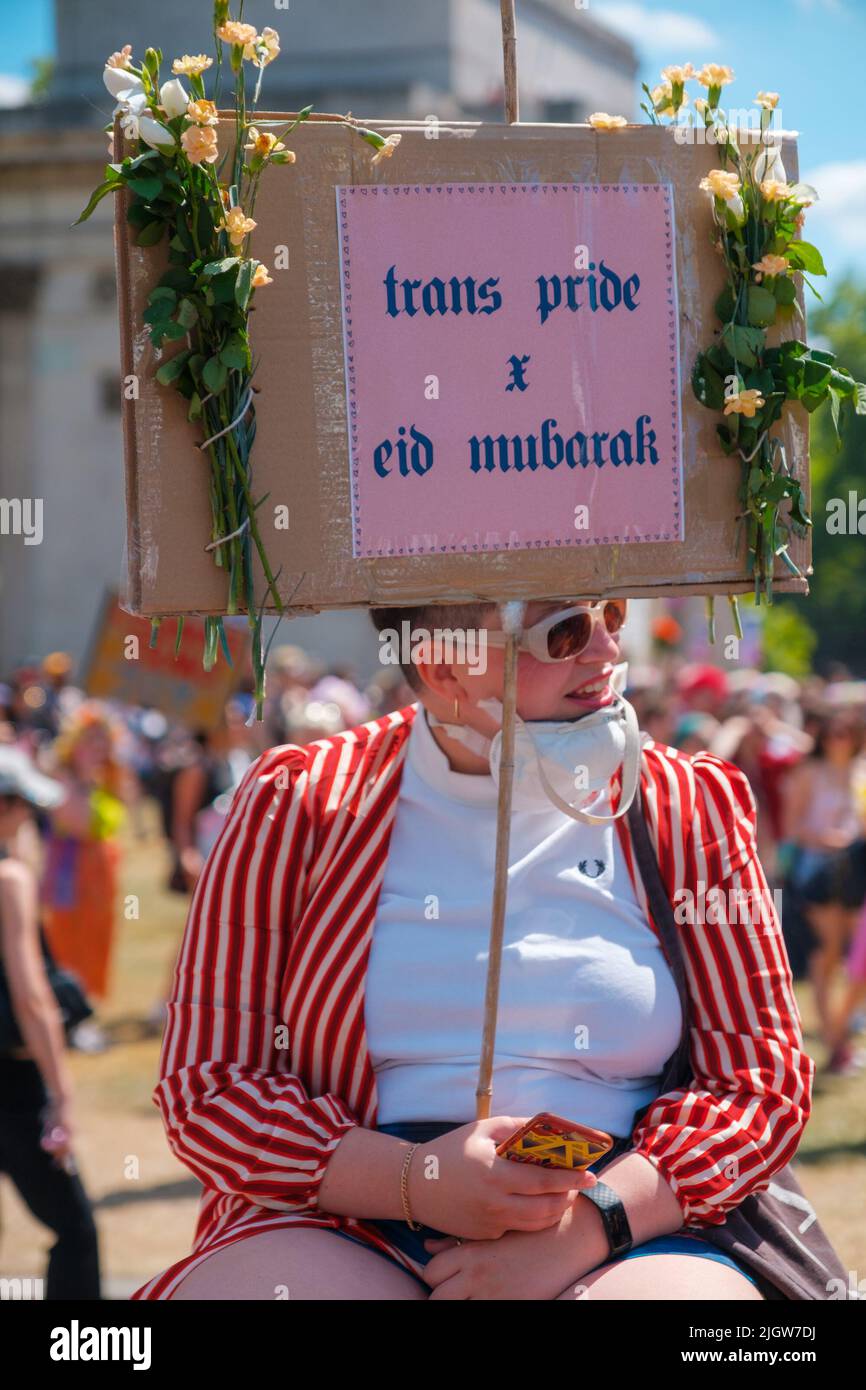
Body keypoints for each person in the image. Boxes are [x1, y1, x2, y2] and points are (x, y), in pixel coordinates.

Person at [132, 598, 812, 1302]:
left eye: (610, 613)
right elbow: (210, 1087)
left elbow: (759, 1084)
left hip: (628, 1216)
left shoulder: (687, 803)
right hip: (340, 1212)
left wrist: (589, 1226)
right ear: (444, 665)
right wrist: (415, 1182)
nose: (608, 651)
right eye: (567, 631)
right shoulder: (296, 800)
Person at [0, 747, 101, 1299]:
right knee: (75, 1230)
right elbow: (31, 996)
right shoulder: (8, 879)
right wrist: (61, 1094)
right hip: (14, 1088)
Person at [41, 703, 130, 1051]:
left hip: (100, 872)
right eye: (91, 739)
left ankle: (85, 1010)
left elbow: (125, 809)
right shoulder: (63, 777)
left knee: (98, 941)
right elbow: (80, 823)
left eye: (104, 741)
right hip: (69, 873)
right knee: (67, 942)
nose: (98, 748)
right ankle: (69, 1016)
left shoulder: (104, 777)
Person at [781, 709, 866, 1067]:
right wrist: (825, 839)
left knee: (854, 959)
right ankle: (833, 1038)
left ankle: (840, 1030)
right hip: (818, 869)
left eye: (847, 732)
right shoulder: (808, 772)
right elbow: (792, 826)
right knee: (826, 955)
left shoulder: (860, 771)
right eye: (834, 732)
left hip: (856, 865)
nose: (840, 739)